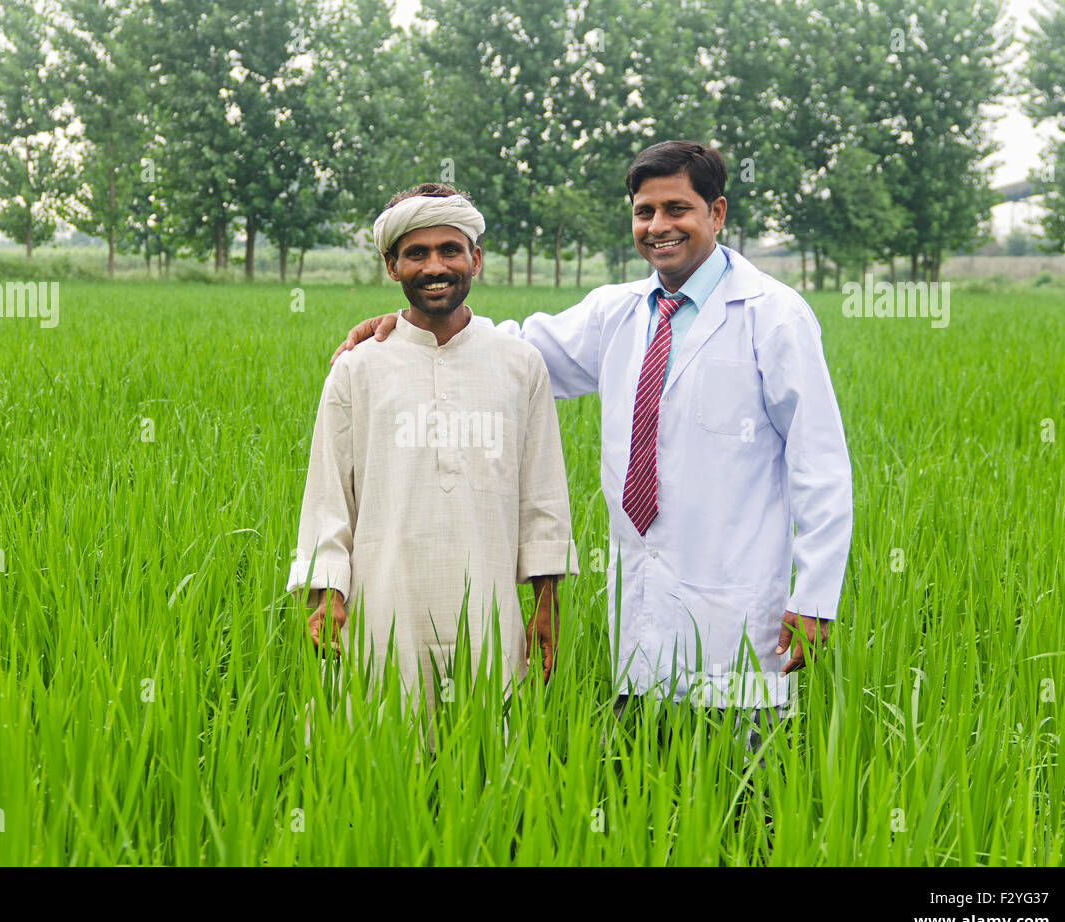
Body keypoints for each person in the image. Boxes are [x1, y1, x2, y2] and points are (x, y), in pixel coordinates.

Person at [333, 142, 853, 742]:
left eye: (676, 209)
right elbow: (512, 356)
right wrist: (407, 331)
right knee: (642, 783)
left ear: (717, 212)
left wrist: (814, 596)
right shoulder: (618, 312)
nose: (658, 227)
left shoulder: (774, 315)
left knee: (747, 787)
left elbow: (819, 463)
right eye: (644, 212)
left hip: (740, 604)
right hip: (641, 607)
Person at [288, 182, 579, 717]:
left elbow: (542, 498)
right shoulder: (357, 369)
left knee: (489, 760)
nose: (435, 266)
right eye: (416, 253)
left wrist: (546, 604)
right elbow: (329, 495)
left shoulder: (519, 365)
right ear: (391, 266)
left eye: (450, 250)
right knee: (378, 757)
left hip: (489, 613)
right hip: (382, 610)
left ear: (477, 259)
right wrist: (325, 593)